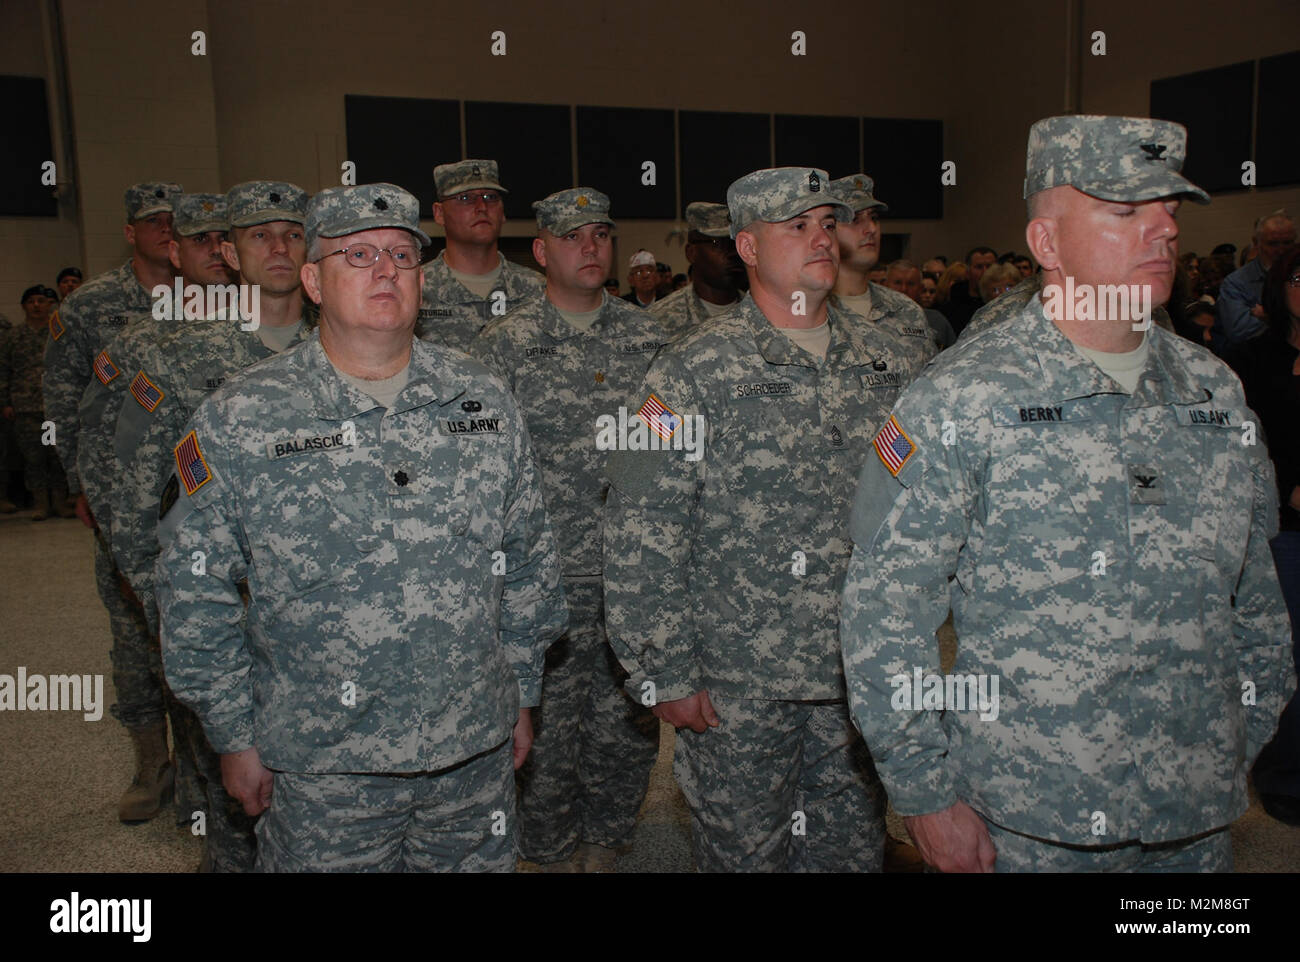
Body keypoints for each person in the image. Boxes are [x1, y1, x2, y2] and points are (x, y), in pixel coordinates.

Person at [840, 115, 1295, 873]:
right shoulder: (961, 399)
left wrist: (1234, 736)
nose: (1161, 232)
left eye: (1170, 211)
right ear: (1046, 243)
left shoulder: (1213, 390)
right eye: (1125, 211)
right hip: (1031, 820)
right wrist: (923, 793)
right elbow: (885, 613)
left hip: (1196, 818)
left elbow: (1257, 599)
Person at [156, 183, 569, 872]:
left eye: (403, 255)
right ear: (313, 280)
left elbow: (528, 562)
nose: (386, 269)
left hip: (470, 754)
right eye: (360, 255)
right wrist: (231, 734)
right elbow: (193, 590)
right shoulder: (241, 417)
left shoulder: (483, 400)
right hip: (323, 767)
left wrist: (521, 691)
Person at [603, 166, 917, 872]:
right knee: (745, 857)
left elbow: (914, 508)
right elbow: (639, 528)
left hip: (855, 672)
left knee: (851, 853)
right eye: (796, 225)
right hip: (738, 683)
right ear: (746, 246)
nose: (820, 237)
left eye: (827, 223)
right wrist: (663, 671)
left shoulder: (889, 364)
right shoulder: (687, 371)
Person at [109, 181, 315, 871]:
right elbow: (136, 501)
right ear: (227, 252)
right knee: (237, 818)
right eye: (261, 235)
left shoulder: (348, 349)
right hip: (231, 632)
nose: (280, 247)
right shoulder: (174, 360)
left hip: (332, 634)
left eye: (292, 232)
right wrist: (174, 618)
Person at [470, 187, 665, 872]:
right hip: (540, 582)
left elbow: (670, 458)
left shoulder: (652, 340)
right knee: (544, 734)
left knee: (627, 727)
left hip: (631, 580)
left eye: (602, 234)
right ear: (542, 250)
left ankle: (607, 844)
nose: (591, 246)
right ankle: (545, 854)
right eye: (574, 235)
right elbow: (482, 474)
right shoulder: (505, 347)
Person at [44, 181, 183, 823]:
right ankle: (151, 761)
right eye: (152, 221)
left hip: (192, 495)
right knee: (133, 630)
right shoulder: (94, 305)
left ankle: (208, 766)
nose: (165, 229)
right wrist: (83, 487)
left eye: (175, 221)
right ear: (130, 232)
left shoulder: (217, 302)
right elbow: (67, 397)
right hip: (119, 498)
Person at [1224, 244, 1300, 827]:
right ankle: (1284, 773)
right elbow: (1248, 450)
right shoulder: (1253, 361)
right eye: (1298, 277)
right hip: (1285, 531)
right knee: (1285, 649)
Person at [417, 159, 545, 350]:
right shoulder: (416, 289)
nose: (482, 207)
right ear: (439, 213)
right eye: (465, 198)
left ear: (503, 212)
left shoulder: (537, 290)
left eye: (490, 197)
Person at [829, 175, 937, 365]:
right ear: (827, 229)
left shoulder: (907, 310)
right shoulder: (809, 312)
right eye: (855, 219)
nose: (871, 228)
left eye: (874, 218)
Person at [0, 286, 72, 519]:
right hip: (25, 408)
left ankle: (60, 501)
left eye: (41, 301)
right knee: (33, 455)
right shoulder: (13, 336)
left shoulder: (59, 334)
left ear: (50, 304)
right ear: (23, 306)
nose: (37, 305)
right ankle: (40, 503)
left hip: (54, 407)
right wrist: (6, 402)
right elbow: (4, 371)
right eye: (31, 301)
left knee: (56, 454)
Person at [649, 202, 744, 337]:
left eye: (735, 243)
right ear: (691, 253)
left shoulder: (763, 314)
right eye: (718, 244)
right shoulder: (659, 320)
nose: (733, 253)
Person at [1212, 211, 1296, 350]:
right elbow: (1239, 331)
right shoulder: (1236, 283)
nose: (1281, 250)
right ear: (1256, 243)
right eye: (1273, 244)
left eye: (1287, 243)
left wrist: (1268, 315)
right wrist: (1287, 316)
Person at [885, 259, 956, 350]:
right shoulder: (872, 319)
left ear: (920, 288)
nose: (904, 289)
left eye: (910, 284)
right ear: (885, 285)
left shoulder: (936, 320)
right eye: (898, 283)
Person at [938, 245, 996, 335]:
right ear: (968, 272)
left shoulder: (1003, 302)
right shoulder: (950, 310)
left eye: (989, 266)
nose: (985, 272)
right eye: (979, 267)